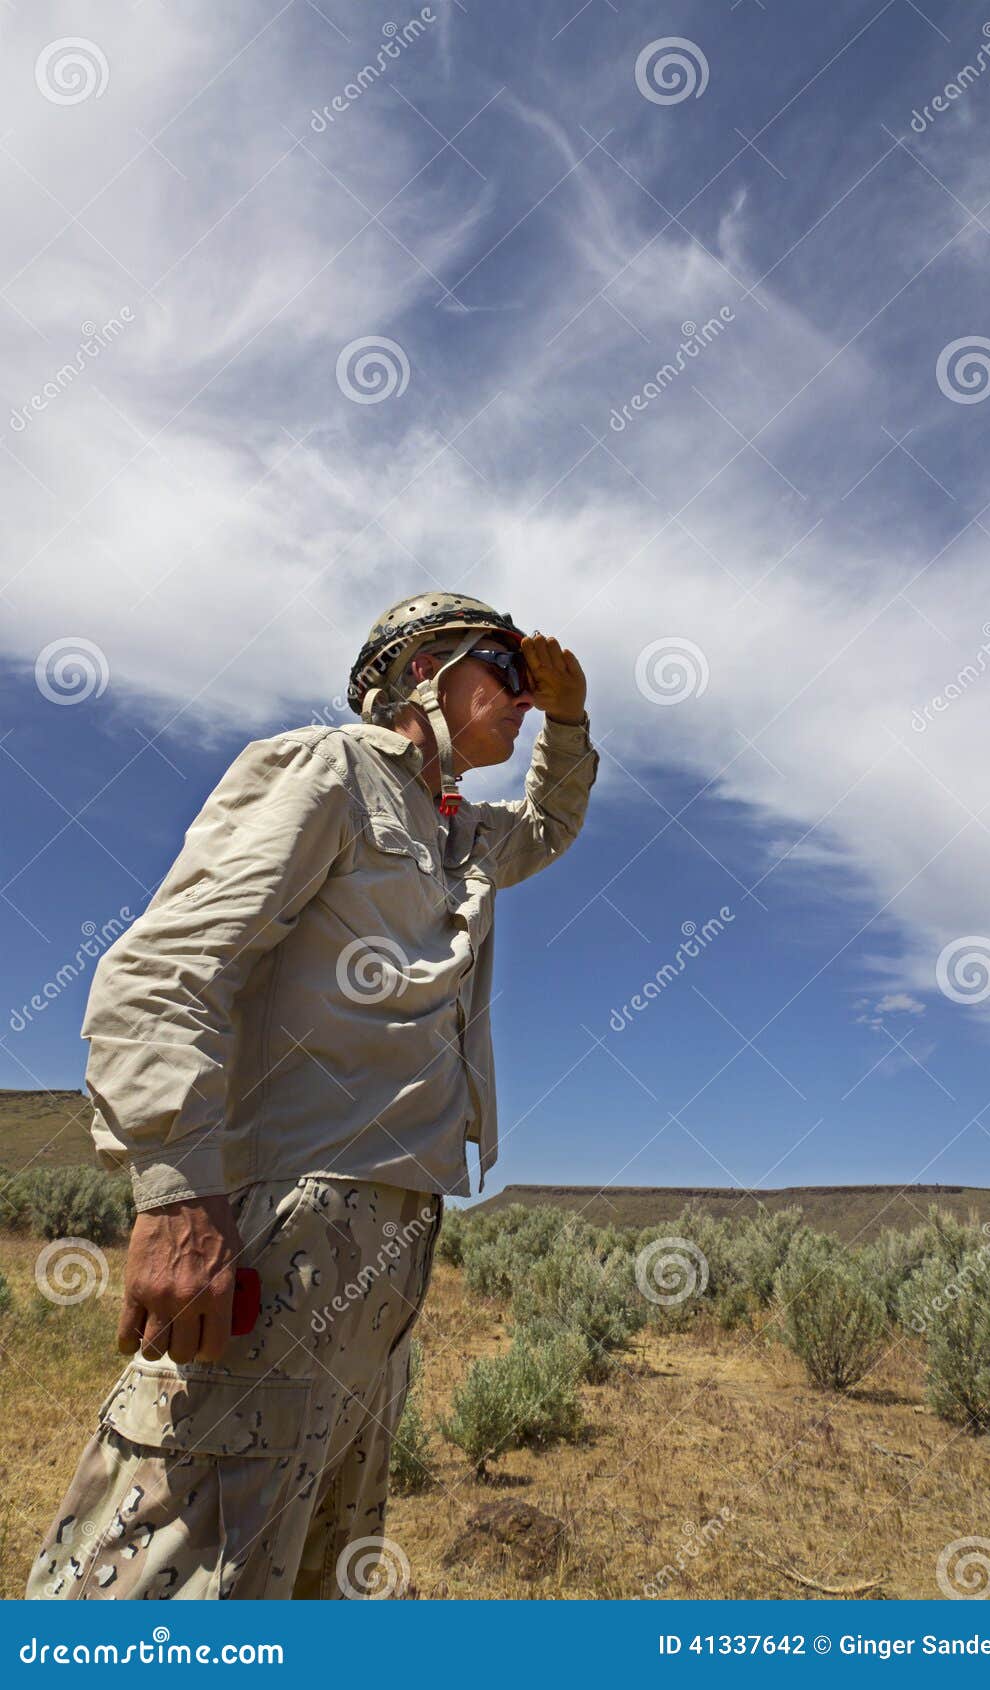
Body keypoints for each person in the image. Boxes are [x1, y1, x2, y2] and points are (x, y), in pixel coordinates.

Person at [26, 592, 598, 1600]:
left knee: (311, 1569)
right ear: (421, 668)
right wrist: (177, 1192)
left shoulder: (457, 832)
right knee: (173, 1571)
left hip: (393, 1231)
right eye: (505, 670)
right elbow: (161, 971)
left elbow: (549, 825)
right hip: (283, 1217)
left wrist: (570, 717)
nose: (522, 696)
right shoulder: (327, 769)